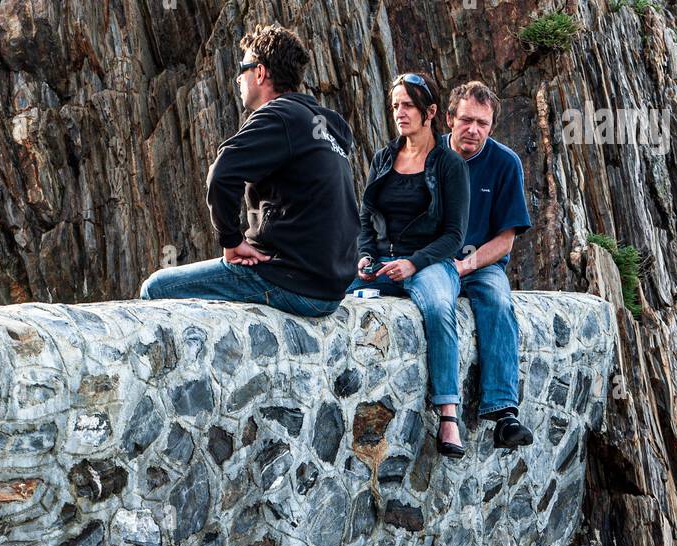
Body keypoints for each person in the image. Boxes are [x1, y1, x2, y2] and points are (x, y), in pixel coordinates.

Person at [139, 24, 359, 316]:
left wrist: (231, 241)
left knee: (156, 288)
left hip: (291, 282)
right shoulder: (330, 122)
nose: (238, 80)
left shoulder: (279, 115)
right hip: (333, 288)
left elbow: (221, 175)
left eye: (242, 69)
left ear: (260, 73)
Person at [350, 72, 470, 456]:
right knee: (335, 294)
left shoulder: (449, 165)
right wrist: (365, 256)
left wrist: (414, 264)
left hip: (431, 263)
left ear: (430, 112)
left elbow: (454, 236)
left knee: (438, 306)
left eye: (407, 106)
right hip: (383, 262)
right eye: (395, 106)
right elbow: (366, 218)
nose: (399, 113)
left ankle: (449, 414)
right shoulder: (384, 158)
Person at [441, 81, 533, 448]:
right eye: (466, 120)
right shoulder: (426, 156)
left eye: (483, 123)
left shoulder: (505, 163)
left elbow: (506, 239)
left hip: (482, 265)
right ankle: (442, 408)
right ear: (449, 118)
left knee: (497, 301)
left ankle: (504, 413)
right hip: (431, 259)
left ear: (491, 125)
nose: (473, 130)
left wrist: (466, 266)